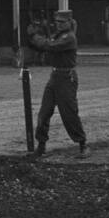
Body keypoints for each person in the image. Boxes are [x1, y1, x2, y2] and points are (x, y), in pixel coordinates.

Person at [27, 8, 87, 158]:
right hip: (55, 76)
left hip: (67, 78)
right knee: (44, 113)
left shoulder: (69, 37)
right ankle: (41, 147)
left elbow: (50, 46)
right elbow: (44, 46)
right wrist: (34, 38)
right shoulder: (59, 35)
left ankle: (83, 145)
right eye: (57, 22)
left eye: (62, 22)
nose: (58, 24)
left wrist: (34, 36)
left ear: (69, 22)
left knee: (69, 114)